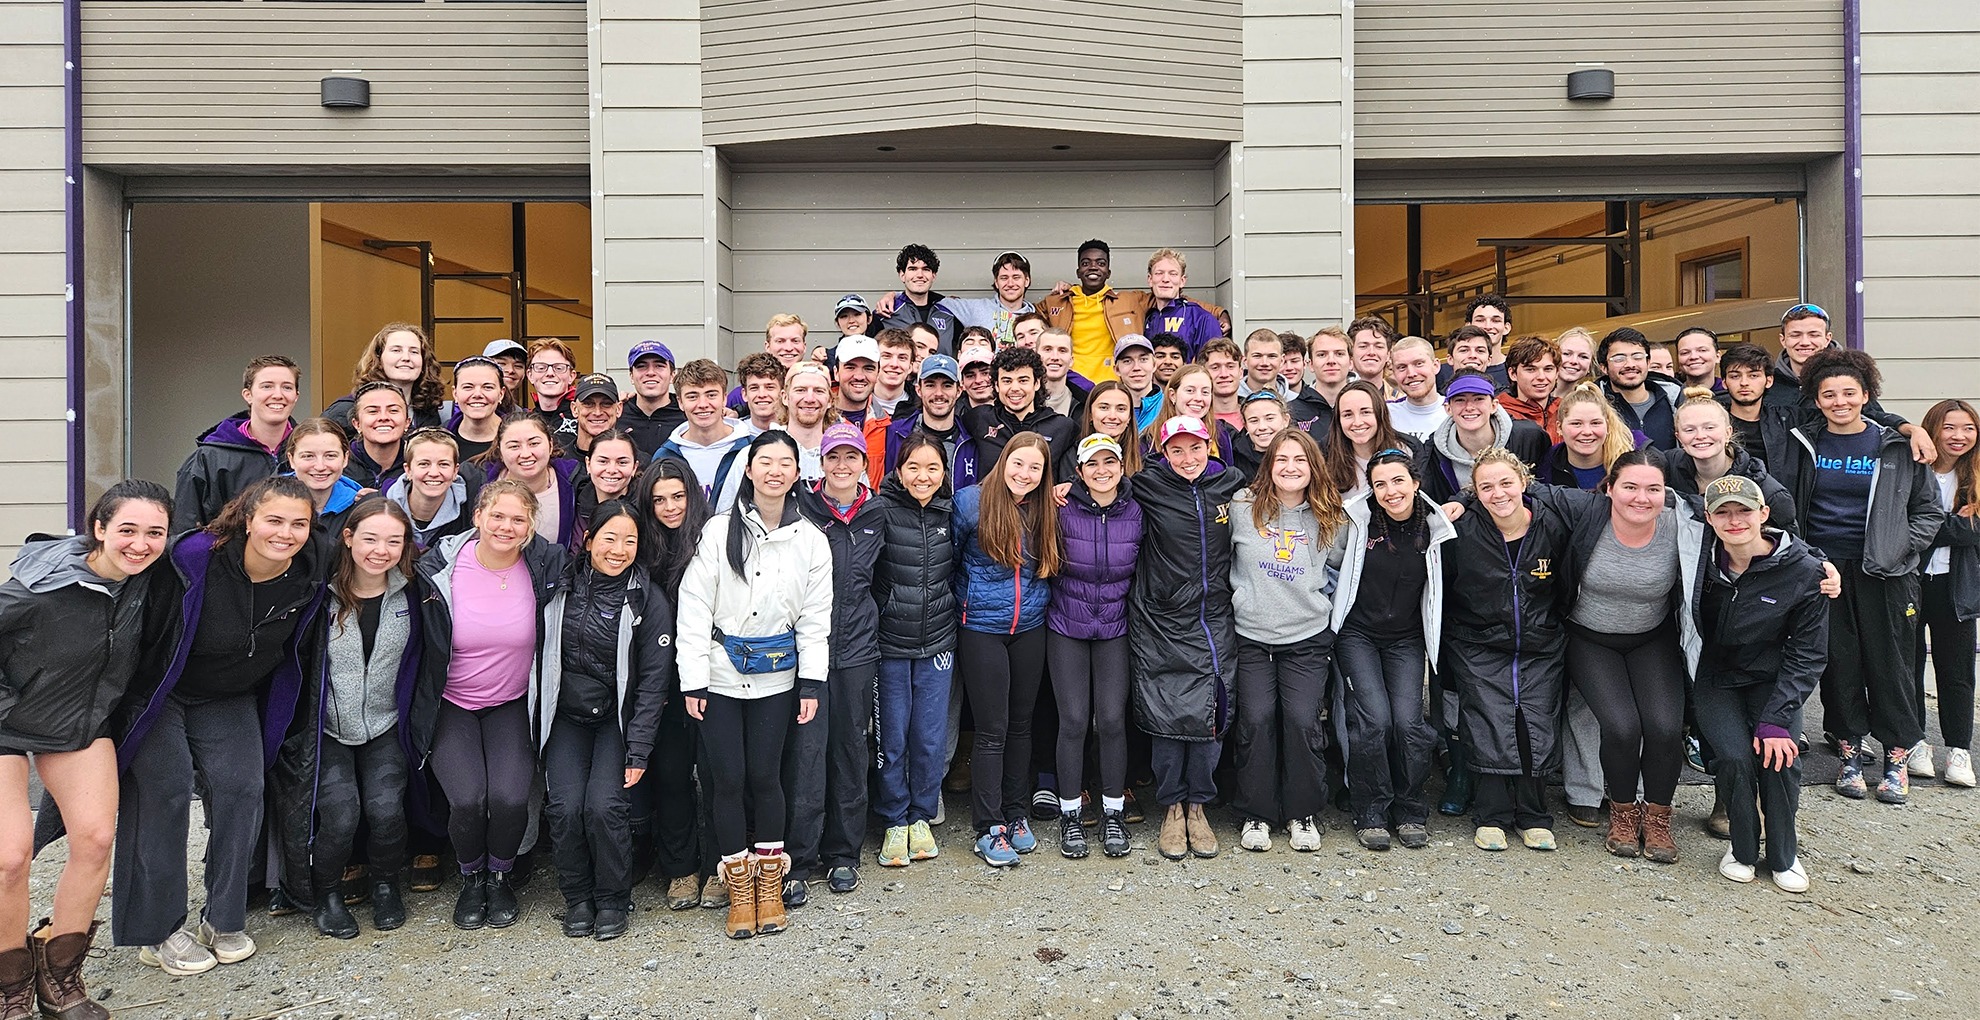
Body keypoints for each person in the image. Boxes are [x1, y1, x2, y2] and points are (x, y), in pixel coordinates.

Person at [115, 476, 324, 974]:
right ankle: (158, 929)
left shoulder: (312, 569)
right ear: (248, 519)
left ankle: (224, 917)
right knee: (163, 795)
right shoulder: (195, 557)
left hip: (228, 696)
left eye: (299, 524)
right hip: (162, 692)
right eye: (273, 521)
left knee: (242, 789)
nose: (285, 533)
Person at [0, 481, 169, 1016]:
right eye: (127, 530)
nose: (140, 544)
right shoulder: (36, 589)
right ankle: (9, 988)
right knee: (9, 857)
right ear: (98, 529)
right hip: (4, 724)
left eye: (154, 533)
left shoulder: (146, 582)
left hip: (77, 721)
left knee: (95, 839)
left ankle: (60, 979)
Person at [676, 430, 834, 939]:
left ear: (796, 473)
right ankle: (738, 887)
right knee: (728, 780)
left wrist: (811, 683)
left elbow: (815, 618)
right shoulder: (719, 531)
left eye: (785, 463)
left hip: (777, 677)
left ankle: (769, 884)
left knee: (766, 778)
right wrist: (693, 681)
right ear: (749, 469)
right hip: (720, 675)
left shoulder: (811, 539)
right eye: (764, 461)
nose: (774, 471)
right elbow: (694, 608)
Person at [1776, 349, 1944, 803]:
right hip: (1826, 571)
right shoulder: (1803, 443)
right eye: (1828, 394)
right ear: (1816, 398)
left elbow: (1928, 508)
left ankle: (1896, 757)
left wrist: (1901, 548)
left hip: (1886, 573)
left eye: (1849, 393)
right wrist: (1807, 558)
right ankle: (1849, 753)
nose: (1839, 401)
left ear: (1866, 395)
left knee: (1892, 666)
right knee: (1839, 664)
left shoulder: (1894, 444)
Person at [274, 498, 442, 941]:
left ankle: (386, 884)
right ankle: (326, 892)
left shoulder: (414, 592)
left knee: (386, 810)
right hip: (329, 726)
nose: (380, 550)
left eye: (393, 540)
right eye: (369, 538)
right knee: (341, 812)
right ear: (347, 538)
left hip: (386, 723)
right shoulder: (318, 594)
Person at [418, 478, 567, 931]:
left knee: (508, 798)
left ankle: (500, 875)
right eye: (496, 515)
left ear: (529, 527)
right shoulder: (439, 566)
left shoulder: (545, 567)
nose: (505, 526)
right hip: (452, 701)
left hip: (512, 701)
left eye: (517, 519)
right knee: (467, 799)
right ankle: (472, 879)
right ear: (478, 516)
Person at [1557, 448, 1704, 864]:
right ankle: (1622, 813)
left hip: (1650, 637)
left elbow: (1750, 526)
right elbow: (1522, 491)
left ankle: (1656, 818)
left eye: (1653, 489)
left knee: (1663, 727)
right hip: (1590, 637)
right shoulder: (1588, 513)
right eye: (1631, 487)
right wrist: (1463, 500)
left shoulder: (1682, 524)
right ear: (1609, 489)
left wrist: (1820, 564)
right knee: (1621, 726)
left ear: (1666, 492)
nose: (1641, 498)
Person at [537, 500, 673, 941]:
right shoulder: (560, 586)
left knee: (604, 806)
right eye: (609, 538)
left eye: (629, 540)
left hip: (617, 719)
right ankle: (577, 896)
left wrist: (639, 748)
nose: (618, 549)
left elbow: (654, 681)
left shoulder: (646, 598)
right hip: (566, 716)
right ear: (589, 540)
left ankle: (613, 898)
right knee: (565, 806)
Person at [1690, 475, 1828, 893]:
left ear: (1764, 514)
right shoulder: (1699, 558)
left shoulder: (1804, 572)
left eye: (1744, 510)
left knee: (1779, 755)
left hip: (1772, 677)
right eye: (1723, 512)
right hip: (1715, 678)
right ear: (1709, 518)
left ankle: (1785, 853)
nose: (1734, 520)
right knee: (1733, 758)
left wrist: (1776, 720)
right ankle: (1743, 848)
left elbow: (1808, 653)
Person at [1439, 449, 1573, 853]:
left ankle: (1533, 815)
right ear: (1474, 492)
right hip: (1478, 642)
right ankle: (1491, 815)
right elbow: (1447, 586)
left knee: (1535, 721)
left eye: (1505, 483)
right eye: (1486, 487)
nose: (1498, 494)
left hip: (1539, 642)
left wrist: (1550, 629)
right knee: (1489, 722)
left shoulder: (1552, 525)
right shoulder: (1461, 532)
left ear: (1522, 482)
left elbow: (1565, 584)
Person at [1131, 416, 1245, 860]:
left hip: (1214, 617)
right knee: (1167, 716)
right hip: (1162, 619)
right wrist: (1066, 489)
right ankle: (1171, 808)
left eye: (1195, 448)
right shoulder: (1147, 485)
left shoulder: (1230, 485)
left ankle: (1199, 805)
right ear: (1163, 452)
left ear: (1209, 447)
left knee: (1211, 714)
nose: (1187, 458)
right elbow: (1099, 493)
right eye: (1176, 450)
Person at [1330, 452, 1454, 850]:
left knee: (1408, 722)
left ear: (1415, 483)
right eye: (1380, 484)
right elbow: (1331, 567)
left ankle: (1410, 806)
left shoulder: (1435, 526)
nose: (1390, 491)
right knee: (1374, 720)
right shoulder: (1356, 520)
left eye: (1398, 481)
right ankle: (1370, 810)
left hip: (1406, 638)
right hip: (1358, 634)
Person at [1228, 430, 1344, 853]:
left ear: (1314, 466)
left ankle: (1302, 811)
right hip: (1253, 633)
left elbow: (1340, 569)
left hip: (1306, 635)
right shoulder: (1243, 507)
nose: (1291, 467)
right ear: (1268, 465)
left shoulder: (1331, 515)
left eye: (1300, 460)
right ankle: (1256, 812)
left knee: (1301, 719)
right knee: (1256, 718)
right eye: (1282, 460)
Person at [952, 433, 1060, 867]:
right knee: (993, 729)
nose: (1025, 474)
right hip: (981, 627)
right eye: (1019, 464)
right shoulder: (970, 503)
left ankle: (1016, 814)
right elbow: (950, 560)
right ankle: (988, 824)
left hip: (1031, 625)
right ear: (1004, 460)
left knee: (1021, 725)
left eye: (1035, 468)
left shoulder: (1047, 506)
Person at [788, 425, 886, 899]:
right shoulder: (801, 509)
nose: (842, 466)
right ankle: (800, 858)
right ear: (821, 463)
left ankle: (843, 854)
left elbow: (884, 581)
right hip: (807, 651)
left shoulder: (877, 511)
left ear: (864, 462)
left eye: (851, 457)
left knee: (850, 750)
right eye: (834, 457)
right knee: (807, 754)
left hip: (857, 652)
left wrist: (868, 624)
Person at [1045, 433, 1143, 859]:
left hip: (1115, 628)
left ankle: (1114, 812)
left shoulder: (1137, 510)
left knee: (1113, 721)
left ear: (1122, 467)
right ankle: (1070, 815)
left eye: (1110, 462)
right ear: (1080, 472)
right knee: (1073, 721)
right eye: (1093, 464)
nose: (1102, 471)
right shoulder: (1061, 508)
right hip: (1067, 624)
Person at [628, 456, 717, 909]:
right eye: (659, 499)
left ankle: (722, 864)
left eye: (678, 496)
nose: (669, 506)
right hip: (660, 676)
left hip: (712, 669)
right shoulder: (639, 545)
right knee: (671, 773)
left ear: (692, 495)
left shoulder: (713, 537)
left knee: (720, 772)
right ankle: (680, 867)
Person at [870, 432, 959, 868]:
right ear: (899, 471)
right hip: (889, 644)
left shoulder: (950, 511)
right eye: (914, 467)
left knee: (929, 737)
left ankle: (922, 815)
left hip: (938, 642)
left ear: (943, 472)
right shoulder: (881, 510)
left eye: (933, 468)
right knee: (893, 737)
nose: (923, 477)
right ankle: (893, 818)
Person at [1915, 399, 1979, 787]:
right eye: (1950, 428)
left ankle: (1959, 750)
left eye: (1968, 428)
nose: (1959, 436)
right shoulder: (1914, 470)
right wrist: (1954, 524)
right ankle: (1915, 742)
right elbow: (1901, 527)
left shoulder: (1975, 475)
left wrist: (1930, 525)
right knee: (1907, 666)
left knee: (1956, 673)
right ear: (1934, 429)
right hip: (1910, 581)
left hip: (1958, 587)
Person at [173, 354, 301, 532]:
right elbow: (185, 531)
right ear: (248, 395)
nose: (278, 395)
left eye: (287, 387)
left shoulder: (309, 451)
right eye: (267, 386)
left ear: (296, 396)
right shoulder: (208, 459)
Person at [1416, 371, 1550, 504]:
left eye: (1479, 398)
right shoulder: (1431, 453)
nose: (1469, 407)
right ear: (1448, 408)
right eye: (1460, 400)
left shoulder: (1529, 437)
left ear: (1494, 405)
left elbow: (1546, 491)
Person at [1669, 392, 1796, 529]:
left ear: (1728, 432)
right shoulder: (1668, 469)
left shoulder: (1767, 492)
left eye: (1709, 428)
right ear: (1679, 437)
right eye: (1689, 430)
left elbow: (1790, 545)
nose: (1700, 436)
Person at [960, 346, 1078, 475]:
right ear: (996, 385)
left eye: (1023, 380)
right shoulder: (979, 418)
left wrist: (1068, 484)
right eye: (1007, 381)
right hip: (989, 495)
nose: (1015, 388)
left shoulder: (1063, 427)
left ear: (1037, 383)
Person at [656, 360, 754, 513]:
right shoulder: (665, 456)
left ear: (724, 398)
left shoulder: (751, 449)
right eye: (692, 396)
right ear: (680, 402)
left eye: (711, 395)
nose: (703, 404)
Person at [323, 322, 445, 434]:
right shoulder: (343, 412)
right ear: (378, 359)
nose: (406, 358)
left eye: (414, 352)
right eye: (396, 350)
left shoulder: (428, 413)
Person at [483, 413, 581, 549]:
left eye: (534, 443)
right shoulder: (478, 481)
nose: (526, 454)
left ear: (550, 445)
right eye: (514, 446)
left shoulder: (575, 481)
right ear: (500, 451)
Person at [869, 354, 966, 485]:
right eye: (930, 385)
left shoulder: (970, 440)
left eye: (947, 385)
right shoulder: (894, 433)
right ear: (918, 390)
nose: (938, 393)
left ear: (959, 390)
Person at [1322, 380, 1419, 502]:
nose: (1357, 422)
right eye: (1347, 415)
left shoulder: (1408, 451)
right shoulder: (1325, 458)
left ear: (1380, 414)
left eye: (1366, 412)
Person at [1543, 383, 1644, 490]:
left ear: (1607, 426)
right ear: (1559, 428)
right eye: (1576, 423)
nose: (1587, 432)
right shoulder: (1548, 463)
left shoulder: (1634, 461)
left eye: (1595, 423)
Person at [387, 428, 477, 549]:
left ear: (455, 471)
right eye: (424, 464)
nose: (434, 473)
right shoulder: (379, 509)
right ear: (408, 470)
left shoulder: (470, 513)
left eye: (443, 464)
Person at [1598, 328, 1684, 450]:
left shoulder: (1675, 401)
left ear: (1648, 362)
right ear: (1604, 368)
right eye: (1619, 359)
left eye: (1637, 357)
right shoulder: (1596, 406)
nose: (1630, 364)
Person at [1145, 364, 1239, 468]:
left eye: (1205, 392)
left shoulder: (1223, 433)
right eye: (1190, 390)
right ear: (1172, 395)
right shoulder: (1149, 439)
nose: (1199, 398)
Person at [875, 244, 959, 356]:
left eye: (926, 269)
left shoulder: (950, 311)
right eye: (913, 269)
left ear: (933, 275)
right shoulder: (885, 311)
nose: (920, 275)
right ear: (902, 275)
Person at [1143, 248, 1223, 361]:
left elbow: (1214, 363)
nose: (1165, 279)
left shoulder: (1202, 318)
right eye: (1159, 273)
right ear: (1150, 279)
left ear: (1182, 281)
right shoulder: (1146, 318)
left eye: (1173, 274)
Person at [284, 419, 364, 527]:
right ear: (291, 460)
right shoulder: (267, 504)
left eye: (330, 456)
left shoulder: (361, 509)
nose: (320, 467)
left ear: (345, 458)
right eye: (308, 456)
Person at [574, 429, 642, 540]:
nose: (611, 470)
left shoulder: (647, 508)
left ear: (634, 467)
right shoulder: (573, 502)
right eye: (603, 461)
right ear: (588, 464)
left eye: (622, 462)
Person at [619, 341, 685, 454]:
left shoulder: (687, 414)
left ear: (672, 375)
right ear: (631, 376)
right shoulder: (617, 415)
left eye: (659, 366)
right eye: (641, 366)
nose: (650, 373)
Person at [343, 381, 411, 490]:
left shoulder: (418, 464)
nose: (383, 417)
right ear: (357, 424)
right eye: (373, 411)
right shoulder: (340, 465)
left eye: (393, 410)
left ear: (407, 422)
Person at [1498, 335, 1562, 442]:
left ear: (1557, 373)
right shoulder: (1499, 415)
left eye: (1548, 369)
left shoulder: (1566, 411)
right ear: (1513, 374)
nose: (1541, 377)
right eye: (1531, 369)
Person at [524, 339, 582, 455]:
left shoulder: (585, 417)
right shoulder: (524, 420)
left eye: (559, 368)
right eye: (541, 368)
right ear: (530, 375)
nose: (550, 373)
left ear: (571, 376)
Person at [448, 356, 508, 463]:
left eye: (488, 387)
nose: (477, 394)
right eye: (468, 387)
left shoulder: (519, 438)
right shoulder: (438, 440)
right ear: (455, 393)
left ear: (501, 394)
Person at [1386, 338, 1447, 441]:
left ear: (1435, 366)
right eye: (1402, 367)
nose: (1411, 374)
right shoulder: (1386, 413)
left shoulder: (1457, 412)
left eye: (1419, 364)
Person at [1234, 393, 1292, 481]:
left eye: (1269, 419)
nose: (1262, 427)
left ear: (1285, 420)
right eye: (1254, 421)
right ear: (1246, 426)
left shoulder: (1303, 454)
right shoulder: (1236, 459)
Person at [569, 374, 627, 460]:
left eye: (606, 404)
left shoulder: (637, 461)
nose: (597, 412)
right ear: (574, 409)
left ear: (619, 409)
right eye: (588, 404)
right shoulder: (558, 462)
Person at [1115, 335, 1165, 434]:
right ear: (1117, 369)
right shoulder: (1108, 409)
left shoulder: (1169, 405)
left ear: (1154, 365)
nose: (1136, 367)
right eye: (1127, 361)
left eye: (1143, 359)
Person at [1037, 328, 1088, 420]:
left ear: (1071, 360)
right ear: (1036, 356)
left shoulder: (1086, 402)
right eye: (1048, 349)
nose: (1055, 357)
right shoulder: (1022, 400)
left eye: (1062, 350)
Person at [830, 335, 881, 428]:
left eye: (868, 368)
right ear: (836, 373)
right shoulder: (817, 421)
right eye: (850, 368)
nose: (859, 376)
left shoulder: (887, 424)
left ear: (878, 374)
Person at [1465, 294, 1514, 387]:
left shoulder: (1517, 370)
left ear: (1506, 328)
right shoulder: (1445, 372)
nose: (1488, 326)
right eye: (1480, 320)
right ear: (1468, 326)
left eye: (1495, 320)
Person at [871, 328, 920, 419]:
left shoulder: (922, 407)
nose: (894, 364)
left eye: (902, 358)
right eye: (886, 356)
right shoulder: (857, 403)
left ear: (910, 367)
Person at [734, 352, 786, 436]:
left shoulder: (796, 434)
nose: (762, 395)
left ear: (783, 393)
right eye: (754, 388)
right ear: (744, 394)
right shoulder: (733, 435)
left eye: (769, 387)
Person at [1200, 338, 1245, 433]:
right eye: (1215, 367)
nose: (1224, 374)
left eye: (1230, 366)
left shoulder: (1257, 416)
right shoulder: (1196, 419)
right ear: (1204, 374)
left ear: (1241, 372)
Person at [1348, 317, 1400, 396]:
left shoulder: (1400, 402)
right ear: (1351, 353)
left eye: (1379, 346)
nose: (1371, 352)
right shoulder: (1335, 400)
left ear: (1388, 355)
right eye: (1363, 346)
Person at [1674, 328, 1723, 392]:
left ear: (1718, 356)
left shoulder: (1733, 393)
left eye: (1702, 350)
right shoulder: (1670, 396)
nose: (1693, 357)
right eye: (1685, 353)